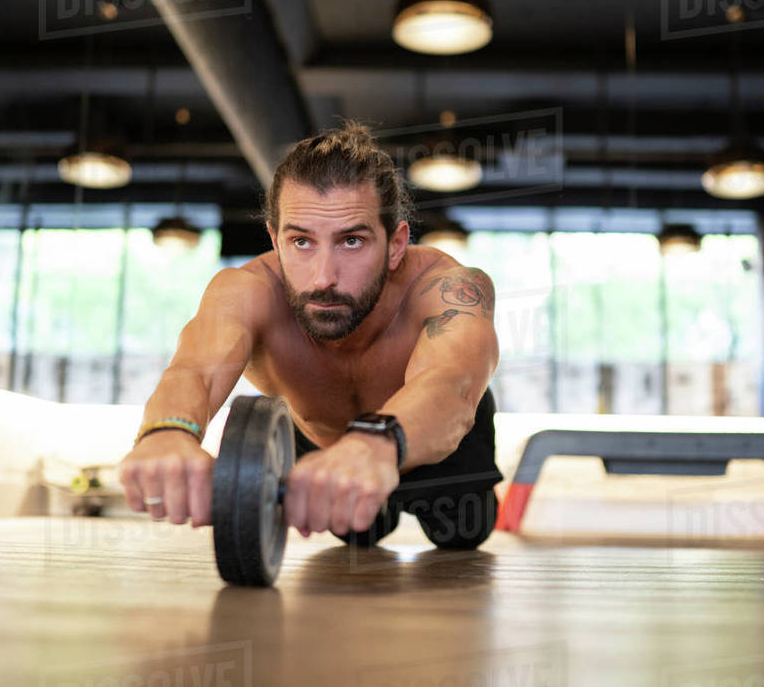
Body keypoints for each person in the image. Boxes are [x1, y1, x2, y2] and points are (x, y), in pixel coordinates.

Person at [118, 122, 502, 549]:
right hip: (330, 457)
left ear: (395, 244)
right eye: (301, 242)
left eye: (352, 241)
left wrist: (376, 444)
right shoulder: (246, 291)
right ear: (274, 239)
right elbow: (194, 370)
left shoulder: (447, 286)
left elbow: (452, 382)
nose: (324, 278)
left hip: (441, 450)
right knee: (359, 538)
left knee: (464, 537)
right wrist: (167, 433)